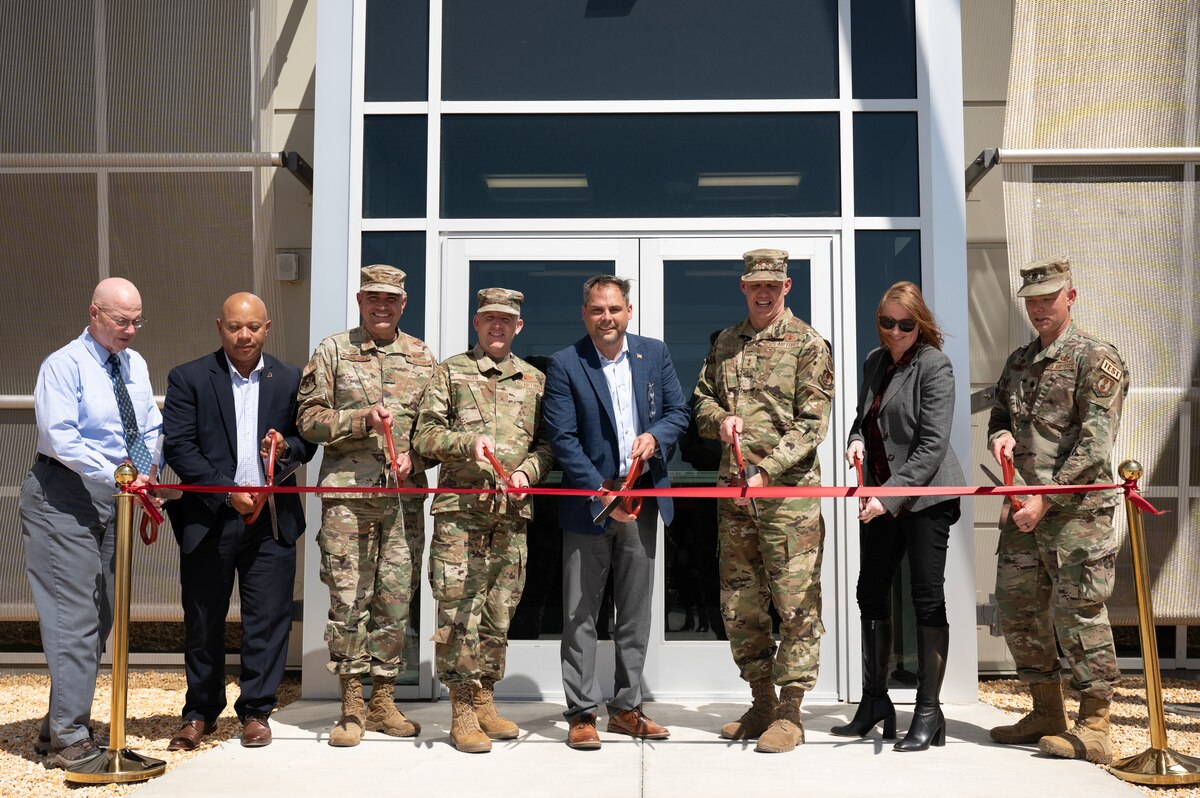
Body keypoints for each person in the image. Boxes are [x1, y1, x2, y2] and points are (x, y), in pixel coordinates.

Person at [987, 257, 1128, 764]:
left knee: (1079, 614)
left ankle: (1096, 725)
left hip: (1076, 512)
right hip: (1026, 507)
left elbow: (1094, 445)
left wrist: (1045, 498)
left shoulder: (1095, 356)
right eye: (1031, 300)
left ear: (1071, 296)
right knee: (1017, 608)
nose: (1039, 308)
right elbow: (1001, 410)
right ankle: (1047, 710)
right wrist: (999, 434)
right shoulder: (1020, 360)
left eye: (1048, 298)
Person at [693, 248, 834, 754]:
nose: (764, 292)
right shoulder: (727, 343)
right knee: (740, 602)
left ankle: (791, 713)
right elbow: (701, 398)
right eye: (756, 284)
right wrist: (717, 419)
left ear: (787, 287)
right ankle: (761, 701)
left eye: (773, 284)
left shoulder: (808, 345)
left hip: (787, 499)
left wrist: (767, 468)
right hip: (734, 498)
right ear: (744, 286)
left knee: (795, 604)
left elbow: (813, 424)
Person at [162, 293, 316, 750]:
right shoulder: (188, 377)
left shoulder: (289, 378)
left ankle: (256, 711)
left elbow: (306, 441)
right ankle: (200, 712)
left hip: (270, 521)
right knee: (204, 620)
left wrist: (284, 448)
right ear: (219, 326)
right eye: (234, 326)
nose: (243, 335)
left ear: (267, 328)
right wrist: (229, 493)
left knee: (267, 620)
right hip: (210, 517)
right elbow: (180, 448)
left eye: (252, 326)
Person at [20, 278, 162, 768]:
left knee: (97, 617)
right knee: (73, 618)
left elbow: (148, 424)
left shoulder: (135, 364)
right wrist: (122, 476)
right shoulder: (63, 365)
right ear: (94, 313)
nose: (130, 330)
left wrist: (146, 469)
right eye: (122, 320)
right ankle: (69, 739)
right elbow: (61, 438)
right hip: (64, 495)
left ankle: (56, 723)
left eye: (137, 320)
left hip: (116, 496)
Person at [543, 274, 689, 750]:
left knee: (635, 613)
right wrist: (604, 495)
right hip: (591, 504)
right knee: (581, 612)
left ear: (629, 311)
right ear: (585, 315)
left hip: (643, 501)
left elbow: (678, 412)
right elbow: (561, 439)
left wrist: (658, 437)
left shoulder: (655, 353)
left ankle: (627, 708)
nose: (606, 318)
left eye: (614, 309)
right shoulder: (566, 364)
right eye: (596, 310)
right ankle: (582, 713)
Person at [297, 264, 436, 747]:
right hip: (348, 498)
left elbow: (434, 429)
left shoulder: (422, 357)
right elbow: (308, 421)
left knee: (394, 600)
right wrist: (360, 420)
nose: (382, 306)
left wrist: (415, 456)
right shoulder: (334, 350)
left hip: (402, 498)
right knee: (347, 597)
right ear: (360, 300)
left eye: (391, 299)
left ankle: (383, 700)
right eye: (374, 298)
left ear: (403, 303)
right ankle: (352, 703)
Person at [413, 288, 554, 753]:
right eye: (489, 318)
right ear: (477, 323)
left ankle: (485, 698)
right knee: (458, 612)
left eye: (506, 320)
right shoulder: (450, 372)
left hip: (510, 516)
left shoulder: (534, 380)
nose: (498, 326)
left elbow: (547, 447)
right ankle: (461, 711)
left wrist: (526, 472)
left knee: (499, 611)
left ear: (518, 328)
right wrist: (464, 444)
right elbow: (424, 437)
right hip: (461, 516)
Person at [834, 281, 964, 751]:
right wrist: (855, 440)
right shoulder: (875, 360)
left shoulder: (935, 366)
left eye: (905, 324)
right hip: (883, 498)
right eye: (887, 323)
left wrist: (886, 498)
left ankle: (929, 712)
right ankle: (875, 702)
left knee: (926, 597)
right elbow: (862, 419)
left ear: (920, 323)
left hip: (926, 498)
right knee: (870, 590)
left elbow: (930, 447)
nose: (895, 332)